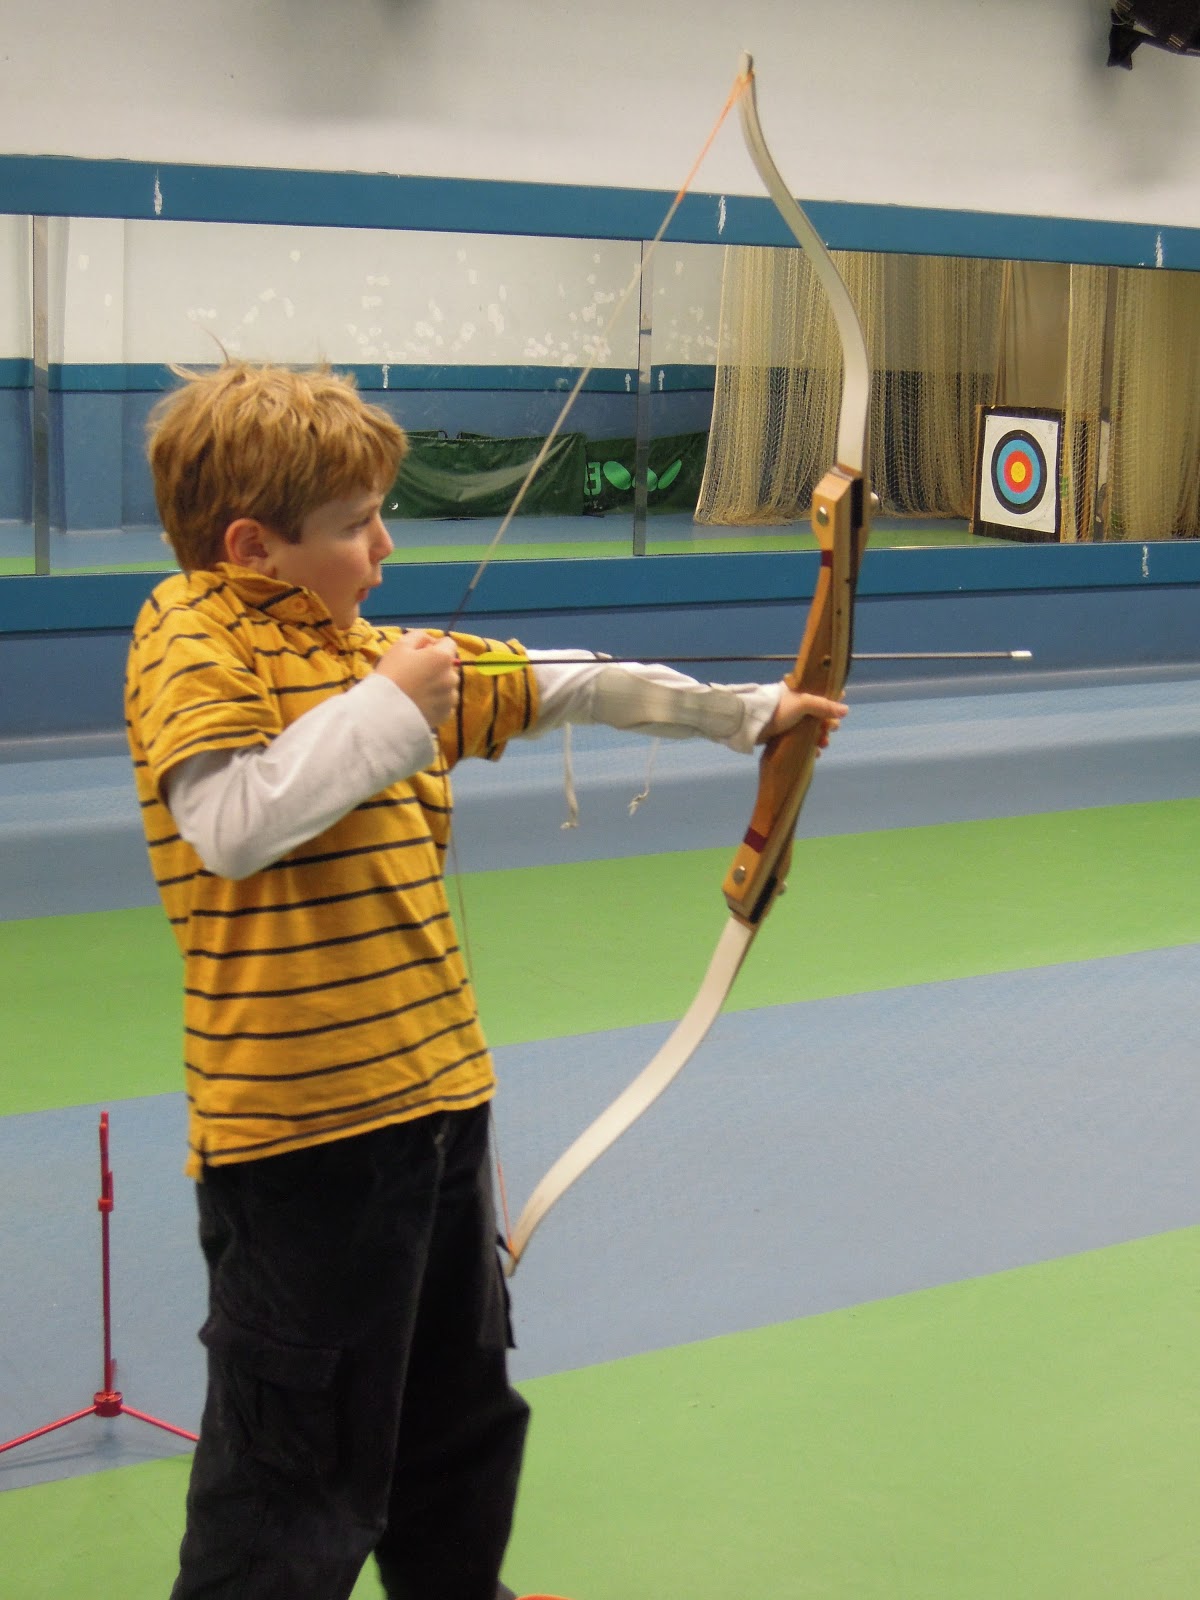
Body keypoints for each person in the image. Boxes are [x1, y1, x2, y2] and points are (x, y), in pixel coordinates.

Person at [125, 361, 847, 1600]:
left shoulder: (367, 651)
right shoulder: (191, 632)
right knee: (291, 1470)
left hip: (438, 1110)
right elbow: (233, 821)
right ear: (252, 544)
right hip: (300, 1142)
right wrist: (395, 705)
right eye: (356, 524)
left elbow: (564, 680)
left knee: (455, 1424)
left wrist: (749, 715)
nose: (384, 544)